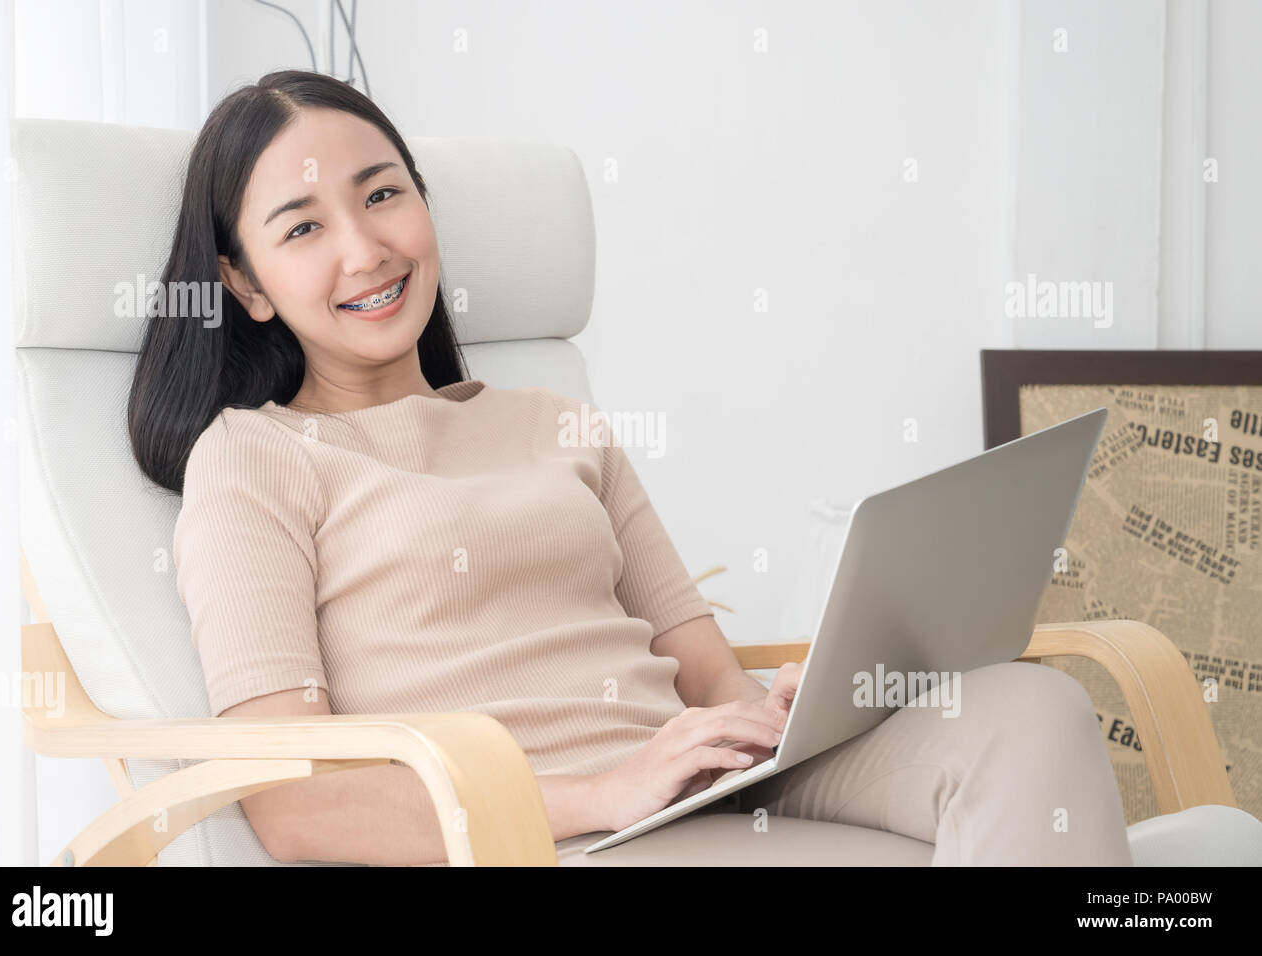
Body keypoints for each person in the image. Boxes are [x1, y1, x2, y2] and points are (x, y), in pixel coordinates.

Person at [129, 69, 1133, 867]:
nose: (364, 248)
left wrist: (775, 704)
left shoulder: (557, 422)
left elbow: (702, 671)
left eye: (382, 194)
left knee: (1026, 709)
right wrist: (597, 793)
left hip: (702, 779)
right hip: (548, 832)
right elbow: (294, 800)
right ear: (245, 284)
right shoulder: (252, 461)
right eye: (302, 227)